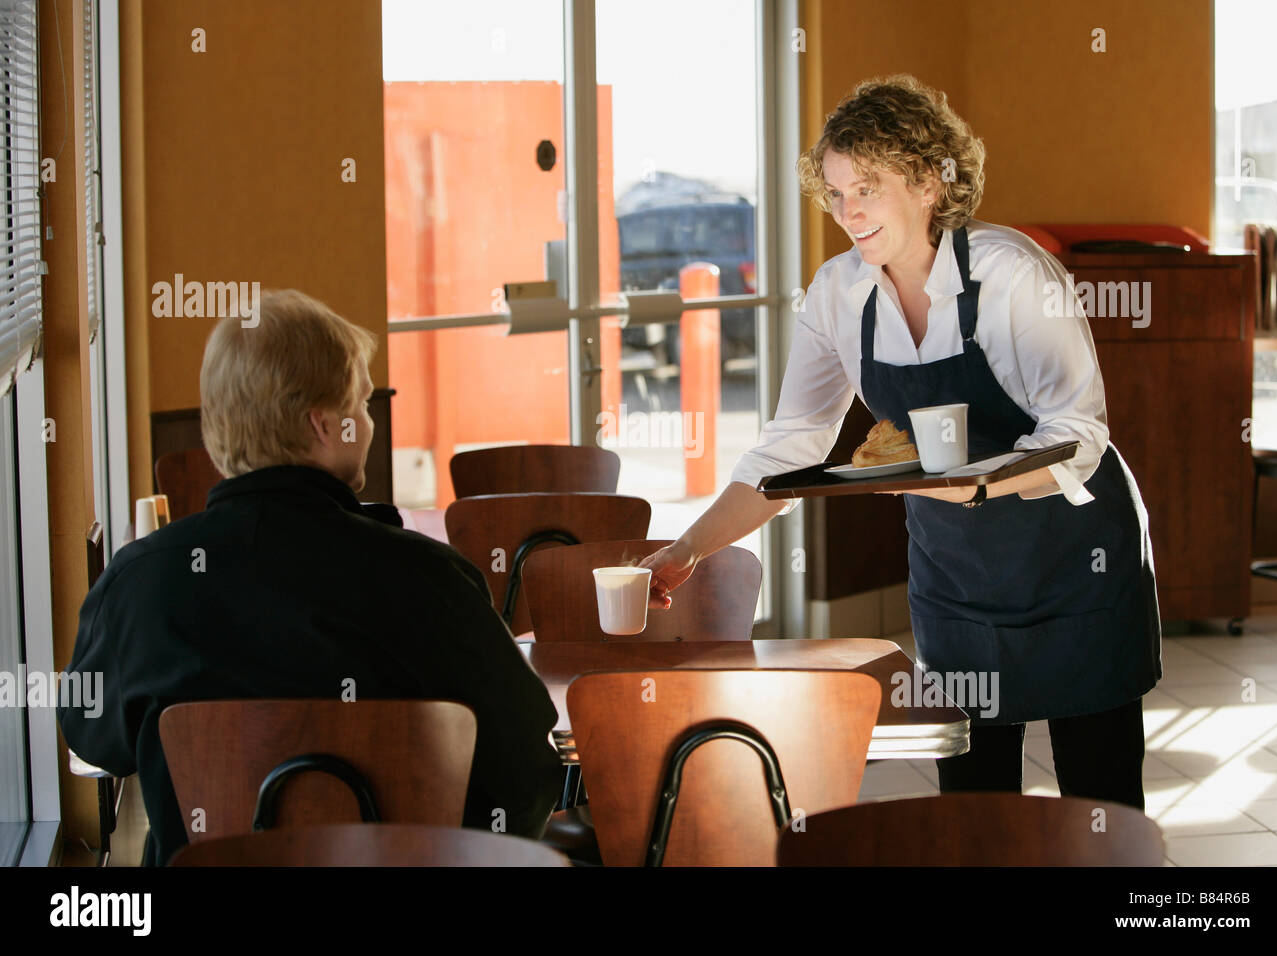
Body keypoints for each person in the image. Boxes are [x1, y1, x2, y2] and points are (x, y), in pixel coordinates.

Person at [640, 74, 1161, 810]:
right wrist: (688, 550)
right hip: (957, 581)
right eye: (837, 193)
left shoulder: (1009, 275)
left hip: (1077, 565)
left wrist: (976, 484)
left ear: (926, 182)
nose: (849, 212)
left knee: (1101, 805)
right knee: (973, 812)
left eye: (869, 187)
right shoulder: (837, 295)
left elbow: (1079, 435)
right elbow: (791, 447)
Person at [58, 289, 564, 865]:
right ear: (324, 427)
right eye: (363, 406)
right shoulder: (429, 580)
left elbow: (91, 736)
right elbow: (526, 778)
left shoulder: (141, 585)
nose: (369, 426)